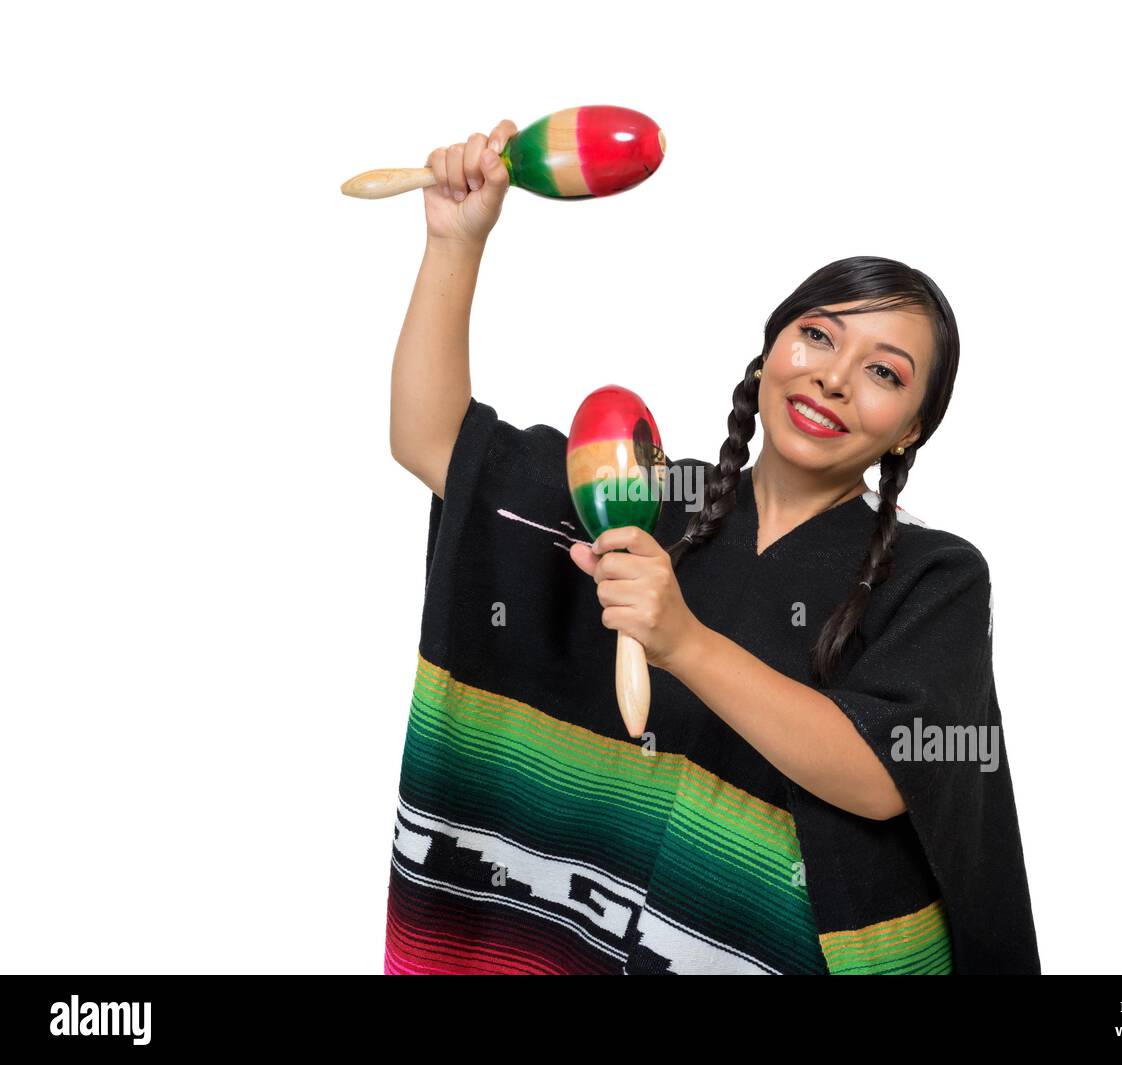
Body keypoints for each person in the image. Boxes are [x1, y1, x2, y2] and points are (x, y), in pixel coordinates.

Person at [384, 118, 1040, 975]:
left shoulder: (936, 575)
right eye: (818, 335)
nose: (835, 377)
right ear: (770, 349)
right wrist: (454, 244)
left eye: (884, 372)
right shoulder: (646, 490)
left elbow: (887, 772)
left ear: (910, 429)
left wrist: (682, 641)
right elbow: (433, 442)